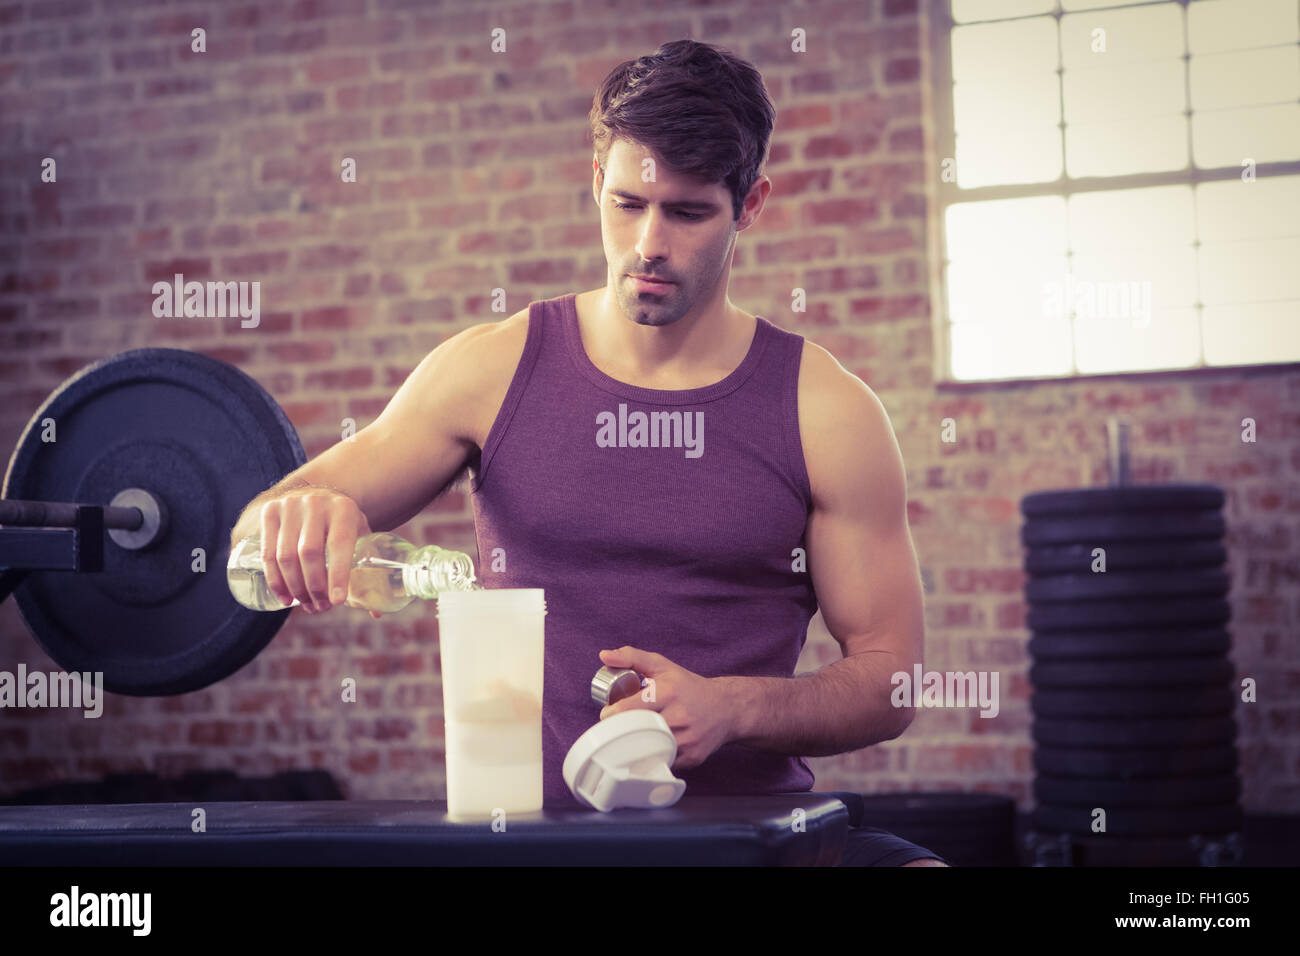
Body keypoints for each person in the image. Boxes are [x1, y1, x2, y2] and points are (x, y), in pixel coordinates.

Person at [229, 40, 947, 867]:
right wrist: (304, 521)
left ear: (750, 204)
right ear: (595, 175)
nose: (648, 243)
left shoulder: (826, 409)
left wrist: (733, 708)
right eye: (627, 202)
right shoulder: (491, 369)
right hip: (533, 844)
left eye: (687, 212)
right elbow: (254, 531)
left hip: (754, 838)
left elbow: (892, 681)